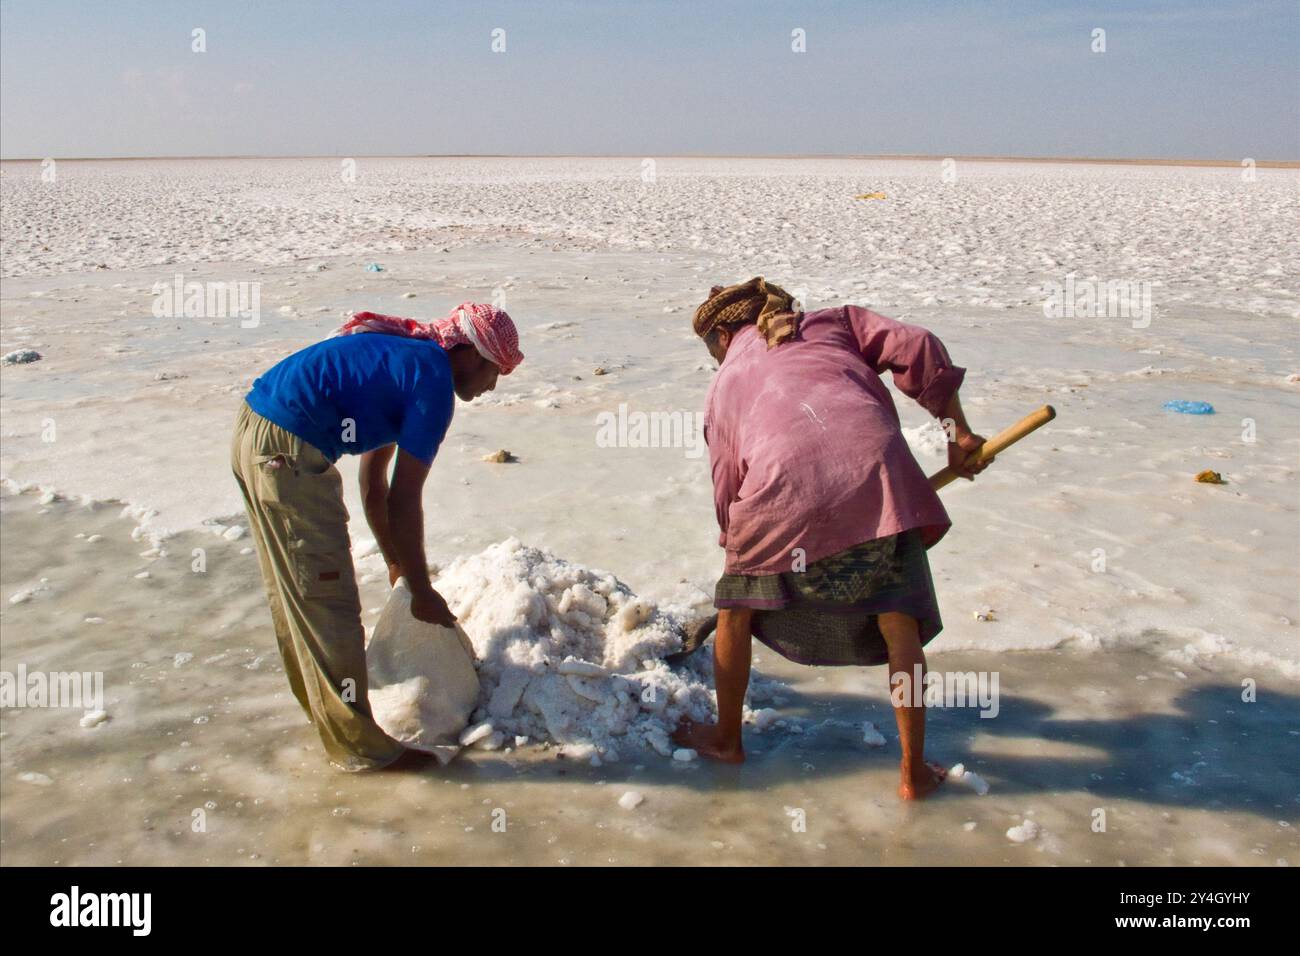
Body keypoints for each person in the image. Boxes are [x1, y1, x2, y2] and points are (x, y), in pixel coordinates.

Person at [673, 277, 989, 799]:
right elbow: (917, 346)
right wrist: (958, 433)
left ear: (725, 336)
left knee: (735, 611)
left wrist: (738, 548)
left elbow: (727, 477)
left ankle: (727, 739)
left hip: (775, 492)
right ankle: (913, 772)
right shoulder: (833, 323)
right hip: (877, 476)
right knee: (898, 623)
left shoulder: (726, 383)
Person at [230, 303, 523, 770]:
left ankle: (334, 721)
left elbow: (374, 485)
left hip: (258, 436)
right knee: (327, 597)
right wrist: (422, 591)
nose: (491, 386)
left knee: (300, 594)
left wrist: (396, 564)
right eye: (493, 371)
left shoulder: (408, 362)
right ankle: (364, 750)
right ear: (468, 353)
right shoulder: (430, 382)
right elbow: (404, 499)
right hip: (285, 452)